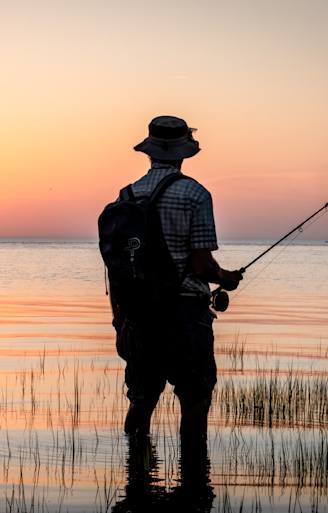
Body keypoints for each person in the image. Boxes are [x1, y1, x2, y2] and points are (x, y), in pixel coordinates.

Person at [111, 115, 242, 443]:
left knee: (141, 400)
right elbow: (202, 265)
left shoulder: (126, 197)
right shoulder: (196, 195)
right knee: (195, 399)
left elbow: (118, 271)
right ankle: (193, 472)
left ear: (150, 152)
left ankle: (135, 467)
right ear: (183, 153)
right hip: (185, 316)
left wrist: (120, 322)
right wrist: (226, 278)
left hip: (139, 317)